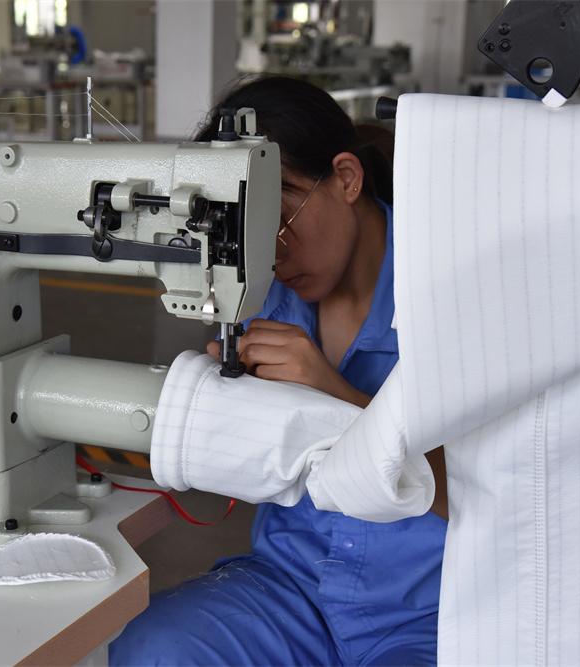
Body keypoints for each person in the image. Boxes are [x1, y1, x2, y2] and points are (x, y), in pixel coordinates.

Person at [110, 76, 448, 666]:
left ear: (346, 179)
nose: (269, 254)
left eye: (280, 219)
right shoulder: (263, 299)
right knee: (148, 651)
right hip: (289, 590)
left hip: (427, 611)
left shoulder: (453, 290)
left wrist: (338, 399)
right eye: (244, 234)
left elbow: (504, 491)